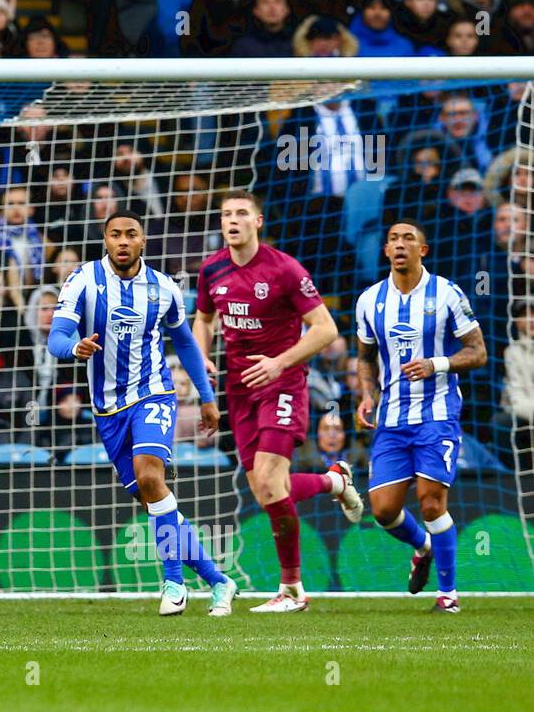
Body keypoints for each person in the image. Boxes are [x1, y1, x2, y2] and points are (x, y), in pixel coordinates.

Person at [48, 210, 237, 616]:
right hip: (107, 409)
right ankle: (220, 581)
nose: (122, 241)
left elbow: (185, 343)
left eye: (130, 234)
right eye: (114, 234)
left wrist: (206, 397)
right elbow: (57, 338)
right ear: (105, 239)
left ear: (142, 240)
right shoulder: (83, 280)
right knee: (153, 499)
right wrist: (73, 349)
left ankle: (173, 581)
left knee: (151, 476)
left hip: (154, 395)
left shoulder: (164, 288)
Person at [192, 191, 363, 613]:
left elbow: (325, 329)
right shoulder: (211, 269)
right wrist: (202, 365)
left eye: (241, 214)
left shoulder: (285, 269)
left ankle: (292, 590)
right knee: (268, 489)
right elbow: (204, 319)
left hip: (284, 382)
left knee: (270, 483)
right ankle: (333, 482)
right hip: (239, 389)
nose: (233, 221)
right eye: (226, 215)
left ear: (258, 221)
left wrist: (279, 363)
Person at [355, 219, 487, 613]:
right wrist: (366, 394)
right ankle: (423, 547)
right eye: (393, 239)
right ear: (385, 251)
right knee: (382, 510)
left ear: (422, 250)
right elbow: (364, 355)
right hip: (392, 417)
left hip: (438, 413)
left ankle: (447, 594)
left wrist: (437, 363)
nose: (399, 245)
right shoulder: (369, 300)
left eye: (408, 239)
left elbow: (478, 351)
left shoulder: (447, 293)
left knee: (431, 503)